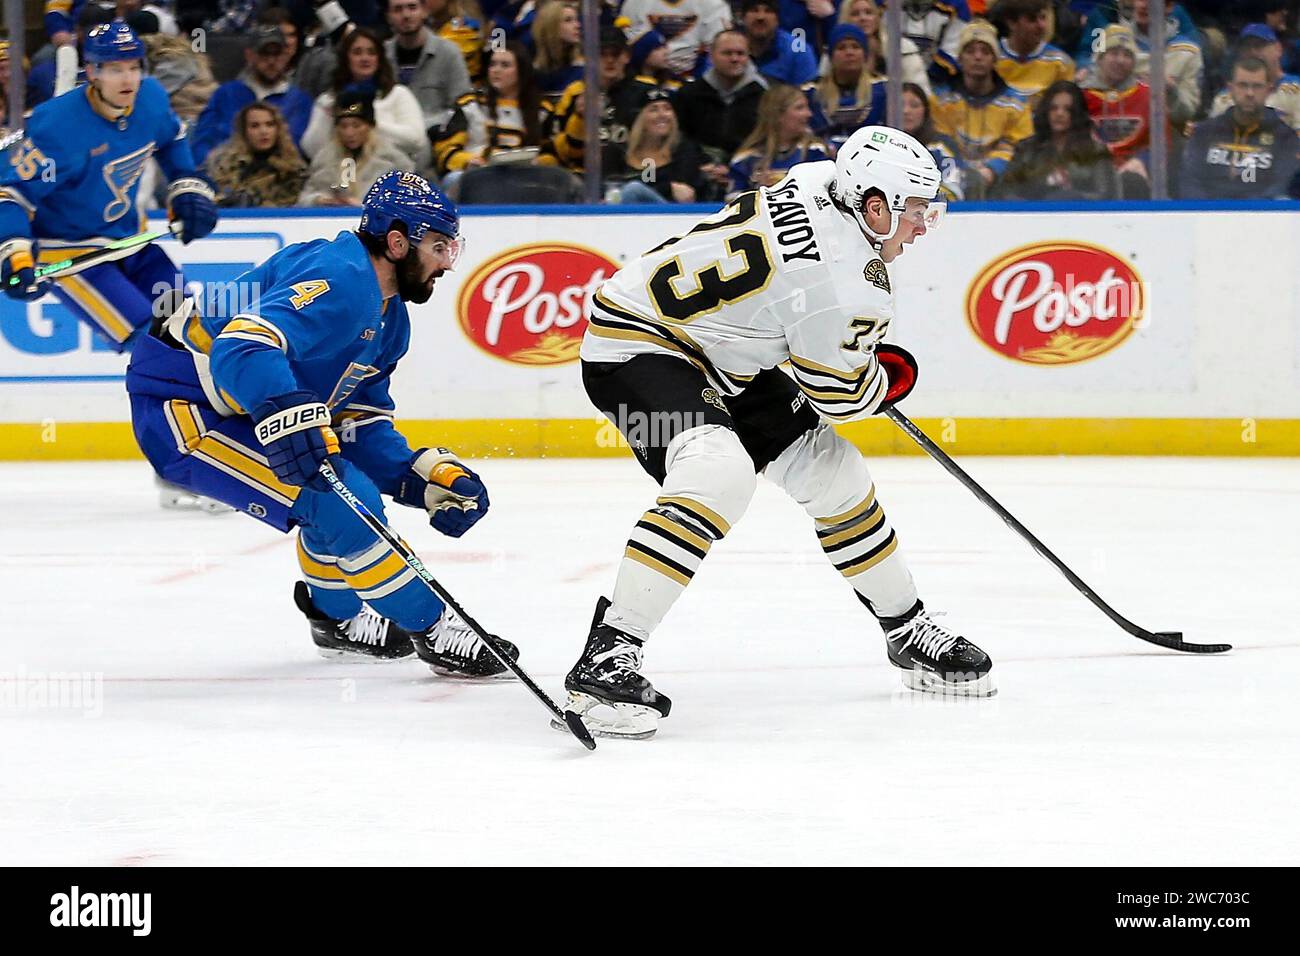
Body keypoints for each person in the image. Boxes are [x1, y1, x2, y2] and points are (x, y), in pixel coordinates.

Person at [567, 125, 988, 739]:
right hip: (630, 352)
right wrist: (884, 380)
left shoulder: (821, 176)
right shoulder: (846, 288)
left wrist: (822, 341)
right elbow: (840, 396)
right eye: (917, 211)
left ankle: (906, 629)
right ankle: (604, 659)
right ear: (874, 206)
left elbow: (784, 298)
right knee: (719, 473)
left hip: (717, 350)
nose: (924, 225)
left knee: (834, 472)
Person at [123, 170, 521, 675]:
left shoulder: (390, 317)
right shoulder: (341, 277)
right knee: (340, 498)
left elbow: (358, 417)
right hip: (181, 408)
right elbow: (242, 343)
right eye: (439, 247)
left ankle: (336, 621)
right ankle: (435, 628)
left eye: (452, 249)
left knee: (332, 480)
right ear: (398, 242)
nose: (447, 263)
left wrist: (415, 475)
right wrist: (287, 410)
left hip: (235, 405)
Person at [0, 20, 221, 511]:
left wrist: (188, 188)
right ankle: (177, 464)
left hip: (130, 242)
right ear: (91, 72)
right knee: (154, 345)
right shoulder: (56, 126)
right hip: (71, 257)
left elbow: (171, 142)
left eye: (133, 66)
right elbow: (9, 192)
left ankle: (197, 456)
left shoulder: (151, 100)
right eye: (112, 68)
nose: (126, 78)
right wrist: (15, 252)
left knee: (192, 332)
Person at [929, 18, 1033, 196]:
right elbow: (941, 141)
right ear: (960, 59)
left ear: (995, 59)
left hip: (1002, 184)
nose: (978, 57)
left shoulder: (1016, 104)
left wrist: (992, 169)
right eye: (970, 51)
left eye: (985, 52)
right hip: (950, 180)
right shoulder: (942, 101)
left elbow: (1018, 145)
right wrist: (960, 171)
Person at [189, 24, 315, 166]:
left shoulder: (300, 101)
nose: (271, 61)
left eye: (277, 54)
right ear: (249, 55)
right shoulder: (226, 94)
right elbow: (201, 142)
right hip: (224, 174)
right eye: (264, 54)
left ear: (286, 55)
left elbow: (298, 149)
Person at [300, 27, 426, 165]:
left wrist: (368, 121)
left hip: (390, 172)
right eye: (357, 52)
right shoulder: (328, 99)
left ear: (380, 58)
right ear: (346, 58)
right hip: (342, 173)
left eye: (371, 52)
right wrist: (327, 116)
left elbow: (417, 140)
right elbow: (311, 149)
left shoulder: (398, 94)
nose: (365, 58)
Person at [1182, 56, 1299, 199]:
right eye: (1243, 85)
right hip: (1208, 215)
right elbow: (1190, 181)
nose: (1249, 93)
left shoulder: (1285, 137)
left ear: (1269, 90)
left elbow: (1281, 185)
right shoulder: (1204, 132)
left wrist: (1243, 212)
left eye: (1257, 86)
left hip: (1261, 216)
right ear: (1230, 88)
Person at [434, 41, 548, 184]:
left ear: (522, 71)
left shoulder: (541, 110)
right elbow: (445, 150)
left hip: (526, 179)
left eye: (505, 65)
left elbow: (552, 154)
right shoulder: (469, 105)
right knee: (454, 179)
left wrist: (539, 162)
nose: (496, 70)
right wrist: (467, 161)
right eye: (492, 64)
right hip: (478, 177)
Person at [673, 29, 770, 197]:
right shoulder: (688, 94)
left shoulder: (763, 96)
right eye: (727, 53)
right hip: (697, 176)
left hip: (748, 178)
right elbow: (680, 139)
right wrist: (700, 166)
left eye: (740, 53)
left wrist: (736, 170)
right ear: (711, 56)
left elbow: (766, 141)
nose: (734, 59)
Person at [384, 0, 474, 159]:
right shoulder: (381, 56)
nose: (405, 15)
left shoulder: (449, 53)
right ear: (389, 16)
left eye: (412, 8)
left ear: (424, 11)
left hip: (436, 147)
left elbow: (465, 109)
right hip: (391, 146)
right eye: (398, 10)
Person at [997, 80, 1115, 199]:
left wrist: (1074, 199)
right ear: (1046, 111)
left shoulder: (1096, 151)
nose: (1059, 114)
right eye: (1054, 108)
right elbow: (1006, 191)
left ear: (1077, 113)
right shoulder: (1026, 149)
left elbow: (1107, 196)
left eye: (1067, 109)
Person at [1080, 23, 1160, 198]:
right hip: (1088, 176)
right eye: (1114, 53)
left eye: (1127, 55)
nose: (1120, 60)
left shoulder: (1147, 95)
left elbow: (1161, 141)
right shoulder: (1080, 96)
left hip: (1135, 177)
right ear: (1100, 58)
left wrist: (1142, 161)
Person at [300, 90, 416, 205]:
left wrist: (365, 205)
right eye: (343, 126)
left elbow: (408, 201)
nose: (349, 133)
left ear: (370, 126)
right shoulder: (324, 159)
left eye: (356, 126)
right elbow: (304, 198)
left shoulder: (395, 162)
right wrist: (319, 200)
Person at [731, 82, 830, 193]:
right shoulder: (744, 160)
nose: (809, 114)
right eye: (800, 108)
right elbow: (733, 203)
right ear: (777, 115)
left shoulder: (815, 152)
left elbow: (827, 195)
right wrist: (760, 193)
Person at [206, 102, 310, 206]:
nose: (263, 131)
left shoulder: (294, 169)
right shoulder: (223, 165)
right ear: (244, 131)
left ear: (278, 129)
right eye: (255, 126)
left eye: (270, 125)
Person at [806, 22, 885, 153]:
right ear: (831, 56)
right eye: (841, 48)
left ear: (864, 54)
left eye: (856, 47)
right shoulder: (811, 91)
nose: (849, 52)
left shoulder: (883, 89)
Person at [616, 89, 707, 203]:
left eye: (667, 109)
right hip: (621, 214)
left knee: (633, 189)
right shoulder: (620, 151)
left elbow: (684, 193)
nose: (662, 115)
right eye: (654, 109)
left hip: (669, 214)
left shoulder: (684, 150)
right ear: (640, 118)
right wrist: (668, 187)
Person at [1208, 24, 1300, 133]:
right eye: (1246, 47)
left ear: (1278, 49)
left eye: (1259, 46)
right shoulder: (1225, 98)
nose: (1252, 52)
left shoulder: (1295, 91)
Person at [835, 0, 931, 94]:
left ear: (877, 17)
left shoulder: (903, 48)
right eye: (855, 14)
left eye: (869, 13)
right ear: (845, 18)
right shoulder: (835, 51)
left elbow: (920, 92)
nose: (863, 18)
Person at [620, 0, 732, 80]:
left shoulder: (713, 4)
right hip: (644, 74)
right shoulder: (634, 3)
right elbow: (631, 47)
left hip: (694, 74)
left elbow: (716, 51)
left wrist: (698, 81)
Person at [993, 0, 1075, 104]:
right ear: (1012, 23)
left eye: (1043, 18)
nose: (1041, 25)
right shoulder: (991, 59)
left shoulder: (1061, 63)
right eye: (1032, 19)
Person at [900, 80, 966, 199]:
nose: (906, 111)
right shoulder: (877, 146)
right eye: (899, 105)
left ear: (925, 111)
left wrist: (915, 202)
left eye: (914, 105)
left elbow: (953, 190)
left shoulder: (942, 146)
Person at [741, 0, 819, 87]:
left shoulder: (798, 50)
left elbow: (807, 94)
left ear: (777, 19)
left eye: (768, 11)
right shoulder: (730, 45)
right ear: (743, 18)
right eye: (754, 10)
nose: (760, 17)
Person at [533, 0, 584, 99]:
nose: (577, 25)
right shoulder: (533, 74)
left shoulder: (584, 71)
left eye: (576, 19)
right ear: (551, 26)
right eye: (568, 20)